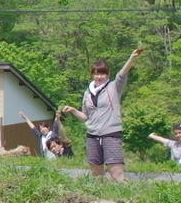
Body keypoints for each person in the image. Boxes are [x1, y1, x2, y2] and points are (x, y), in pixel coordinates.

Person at [60, 48, 143, 181]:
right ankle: (100, 196)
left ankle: (126, 196)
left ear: (108, 74)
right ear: (92, 75)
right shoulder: (88, 93)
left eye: (102, 74)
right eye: (96, 74)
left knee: (115, 170)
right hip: (92, 135)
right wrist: (73, 110)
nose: (99, 77)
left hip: (111, 133)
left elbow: (122, 74)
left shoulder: (114, 87)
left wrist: (132, 58)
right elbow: (85, 117)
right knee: (96, 172)